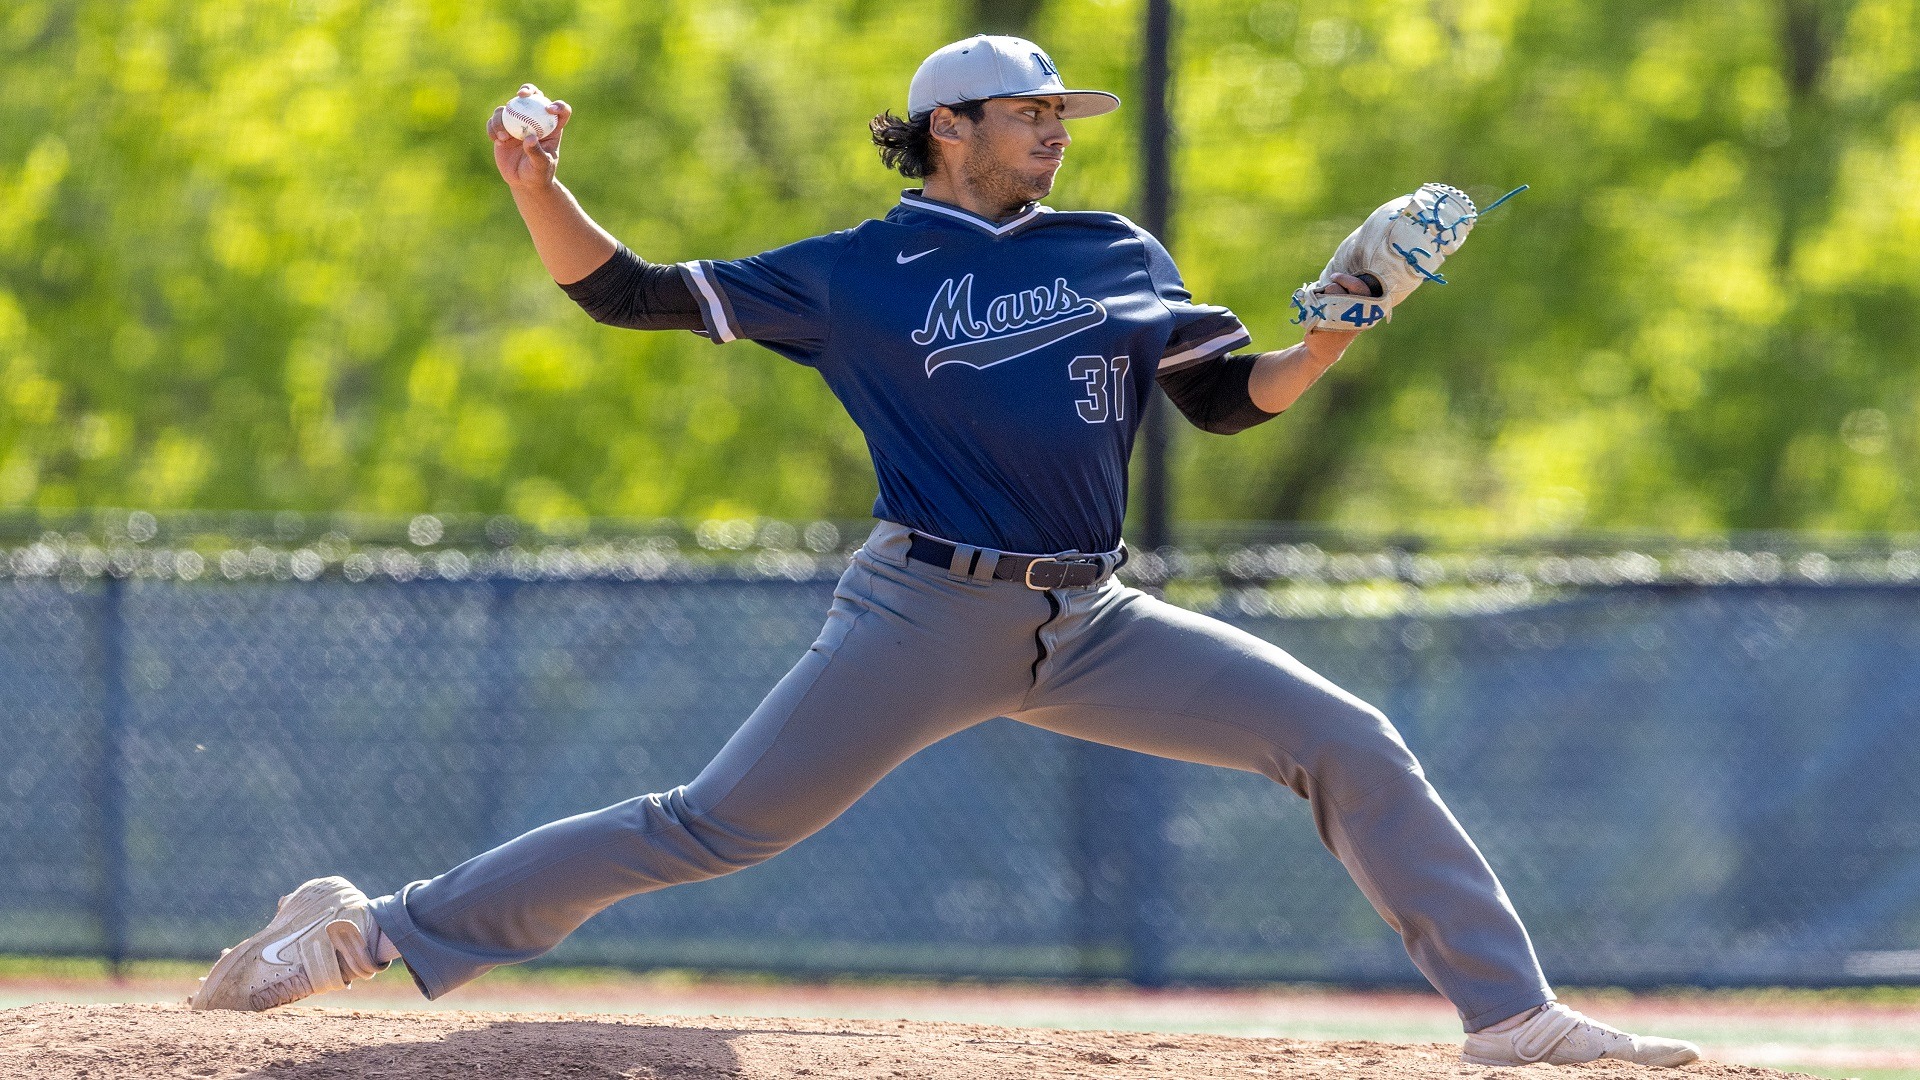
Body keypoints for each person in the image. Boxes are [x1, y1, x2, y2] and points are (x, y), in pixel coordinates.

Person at [191, 35, 1698, 1068]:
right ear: (950, 129)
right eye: (1032, 111)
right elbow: (632, 294)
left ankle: (1512, 1020)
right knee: (712, 827)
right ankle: (371, 933)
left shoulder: (1115, 251)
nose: (1057, 127)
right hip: (923, 611)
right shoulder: (858, 269)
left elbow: (1228, 408)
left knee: (1346, 739)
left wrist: (1330, 337)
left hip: (1092, 618)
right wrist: (535, 187)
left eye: (1063, 114)